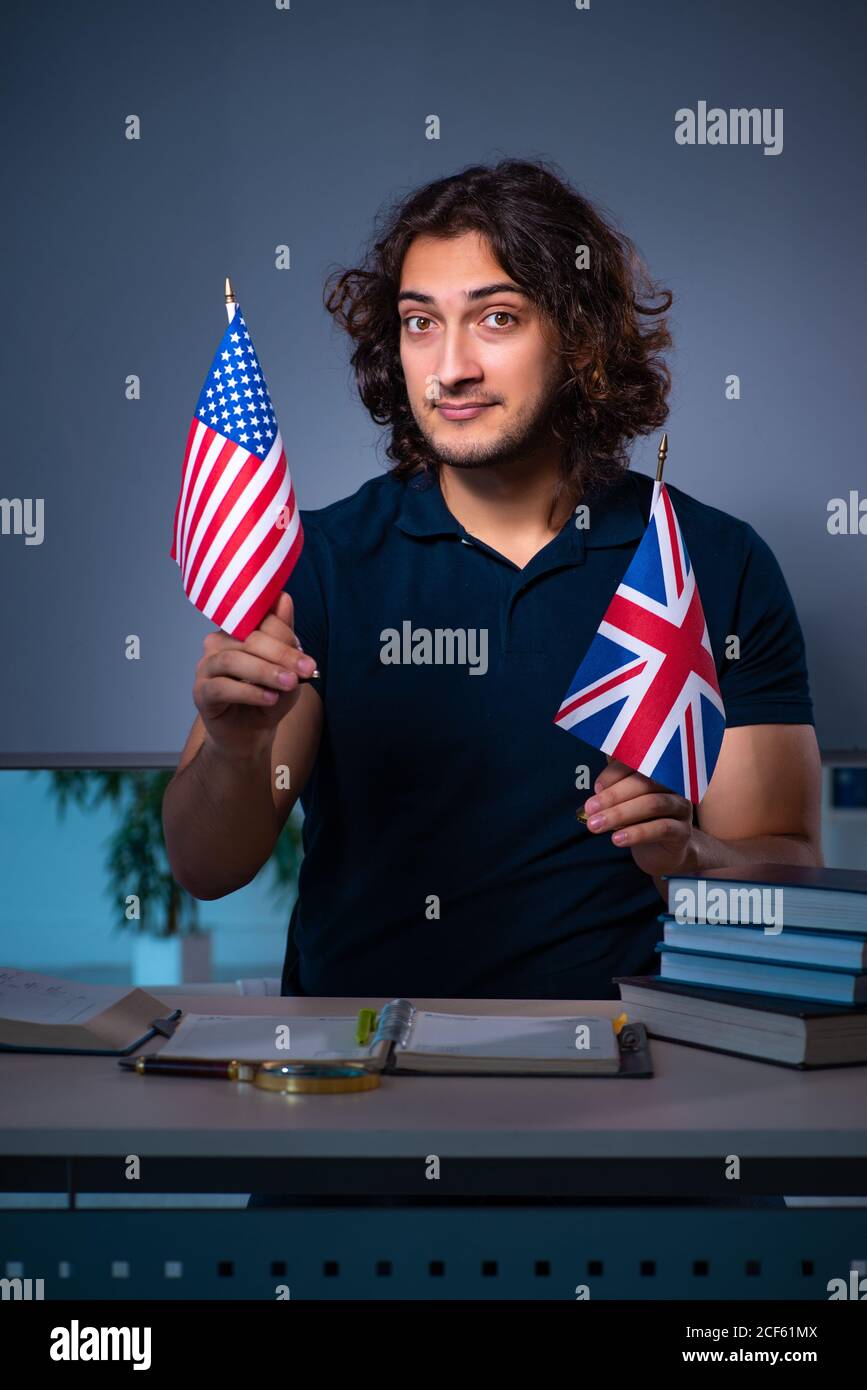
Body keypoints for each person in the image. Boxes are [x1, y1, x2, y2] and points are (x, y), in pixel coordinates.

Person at [162, 157, 822, 1005]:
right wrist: (234, 749)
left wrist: (690, 859)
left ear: (579, 337)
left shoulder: (710, 560)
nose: (451, 367)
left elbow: (790, 882)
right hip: (365, 1069)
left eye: (496, 318)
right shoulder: (315, 562)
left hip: (633, 1066)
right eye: (418, 324)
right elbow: (204, 867)